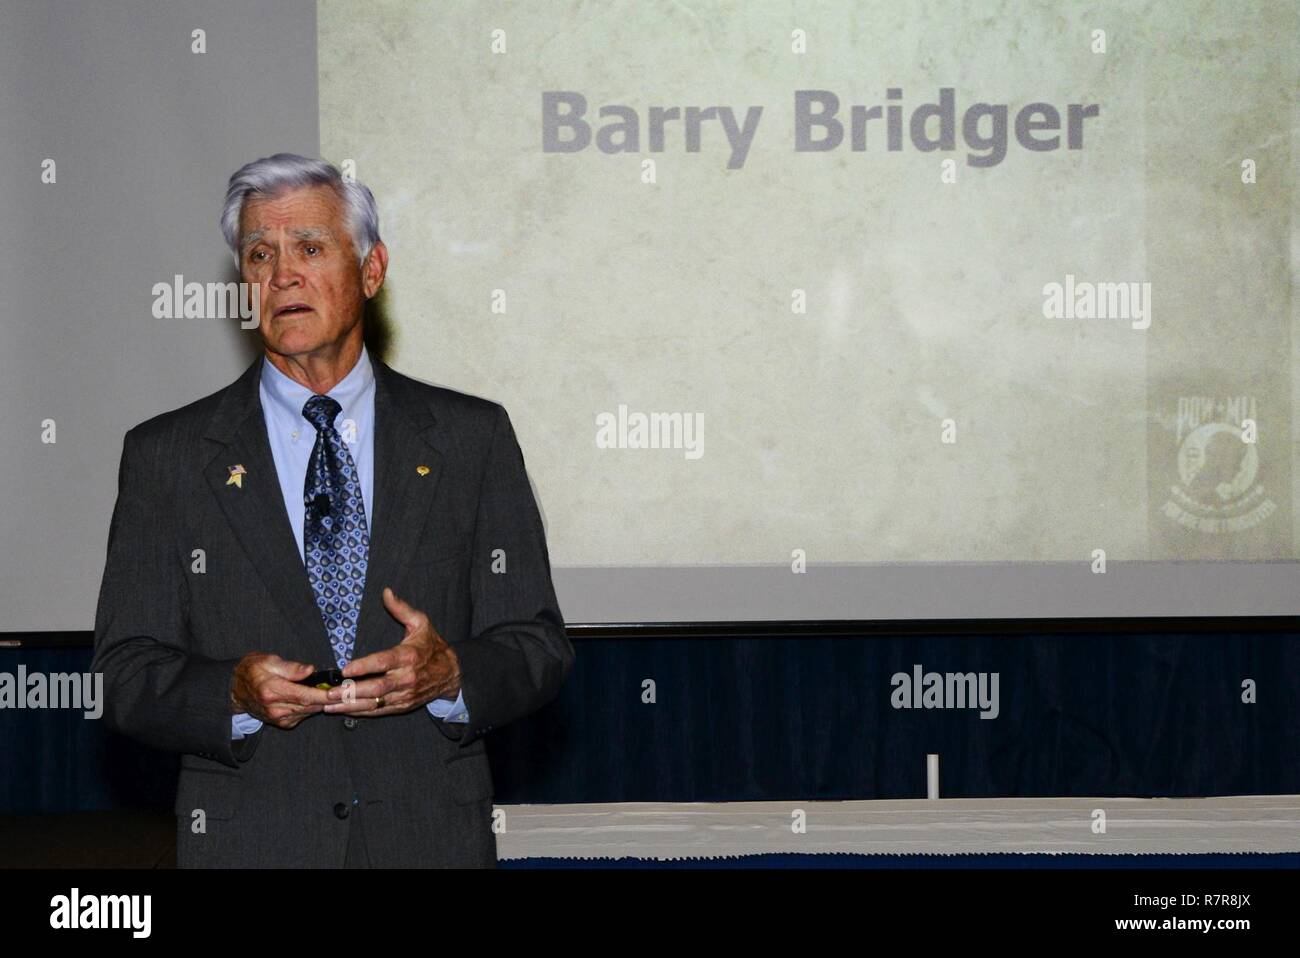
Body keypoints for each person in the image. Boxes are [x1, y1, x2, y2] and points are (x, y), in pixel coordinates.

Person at [91, 153, 573, 867]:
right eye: (260, 254)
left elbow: (537, 647)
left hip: (428, 840)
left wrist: (451, 677)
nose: (281, 274)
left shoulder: (471, 440)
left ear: (371, 272)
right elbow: (125, 673)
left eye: (309, 248)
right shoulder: (169, 456)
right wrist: (229, 691)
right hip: (250, 845)